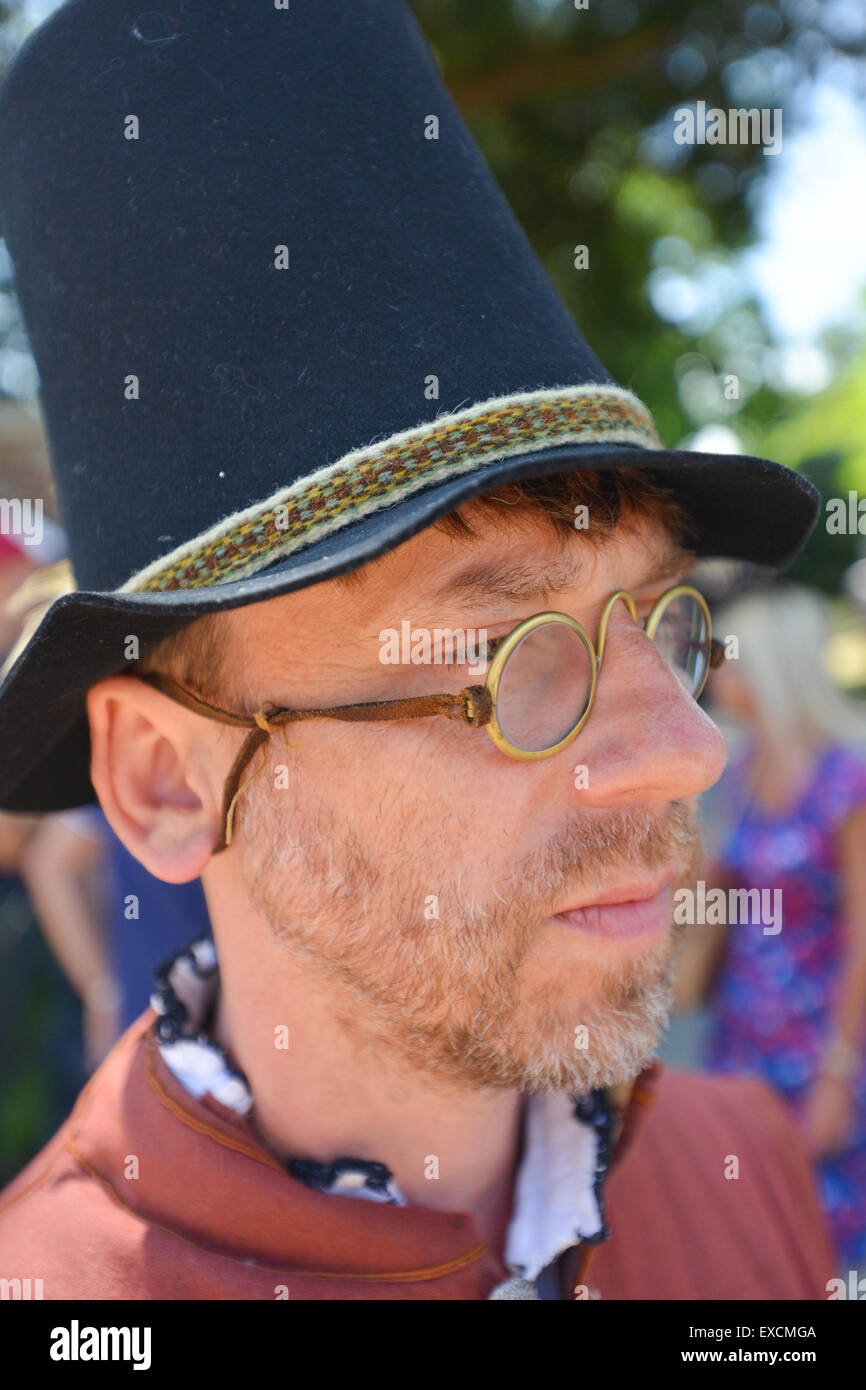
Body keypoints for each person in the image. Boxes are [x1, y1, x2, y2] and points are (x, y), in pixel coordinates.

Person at [0, 0, 833, 1299]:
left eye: (663, 625)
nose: (685, 749)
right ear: (165, 779)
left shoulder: (741, 1166)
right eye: (503, 656)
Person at [697, 584, 866, 1273]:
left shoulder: (844, 780)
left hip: (818, 1045)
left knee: (817, 1238)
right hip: (742, 1040)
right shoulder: (740, 770)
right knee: (743, 1232)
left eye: (730, 659)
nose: (717, 673)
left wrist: (838, 1074)